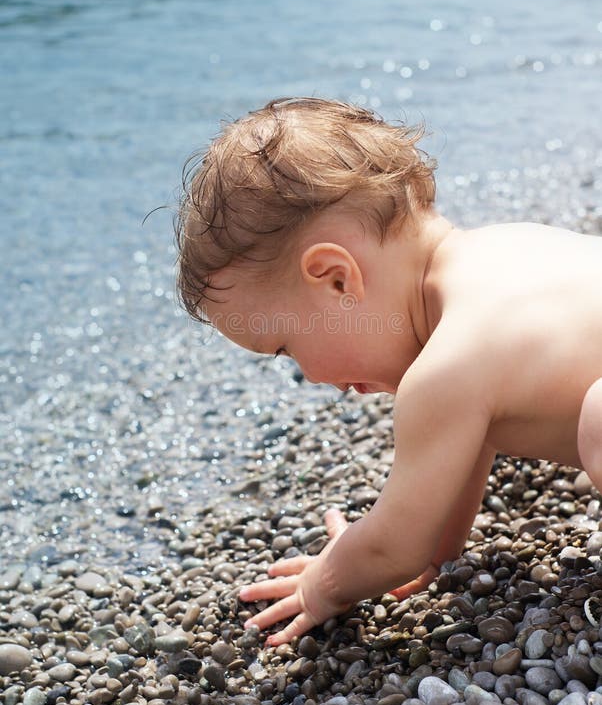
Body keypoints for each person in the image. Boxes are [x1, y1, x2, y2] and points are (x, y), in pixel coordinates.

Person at [175, 96, 602, 646]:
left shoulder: (444, 372)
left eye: (285, 346)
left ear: (336, 280)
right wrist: (439, 551)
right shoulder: (508, 248)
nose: (307, 374)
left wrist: (325, 584)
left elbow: (392, 547)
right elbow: (454, 462)